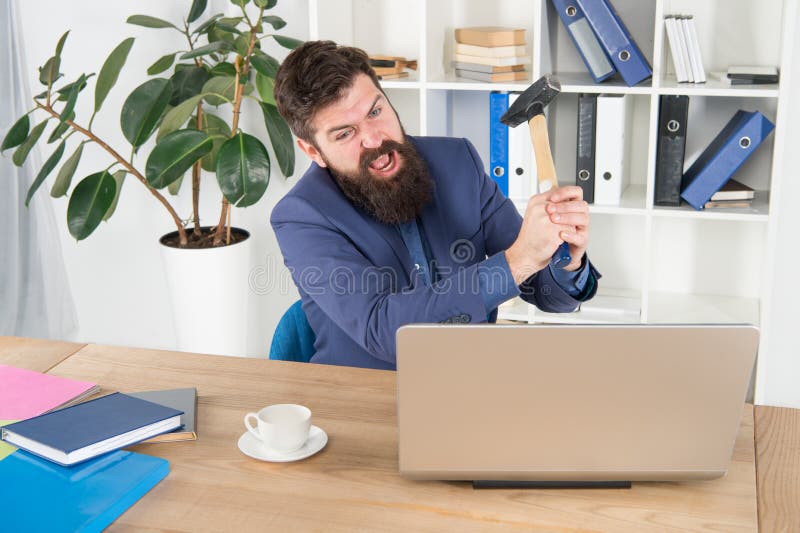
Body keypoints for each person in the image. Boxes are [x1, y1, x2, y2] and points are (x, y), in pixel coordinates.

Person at [271, 41, 600, 370]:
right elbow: (383, 330)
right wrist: (518, 261)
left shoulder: (459, 161)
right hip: (370, 396)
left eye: (375, 112)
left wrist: (565, 260)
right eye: (345, 134)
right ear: (312, 150)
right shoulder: (301, 217)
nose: (374, 139)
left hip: (471, 380)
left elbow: (543, 291)